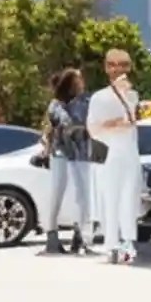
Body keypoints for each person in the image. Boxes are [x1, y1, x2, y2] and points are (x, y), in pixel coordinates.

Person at [86, 49, 142, 264]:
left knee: (129, 197)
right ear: (107, 67)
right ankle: (111, 244)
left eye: (123, 64)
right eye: (113, 64)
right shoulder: (100, 97)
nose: (118, 69)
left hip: (129, 153)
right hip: (110, 154)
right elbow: (92, 128)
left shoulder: (133, 95)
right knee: (110, 199)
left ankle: (128, 242)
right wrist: (116, 123)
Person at [40, 68, 95, 256]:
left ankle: (80, 238)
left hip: (81, 154)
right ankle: (51, 235)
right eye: (78, 80)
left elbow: (93, 123)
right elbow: (62, 120)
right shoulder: (56, 104)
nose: (82, 83)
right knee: (57, 193)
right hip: (61, 153)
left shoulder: (85, 103)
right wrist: (74, 126)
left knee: (83, 197)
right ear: (70, 84)